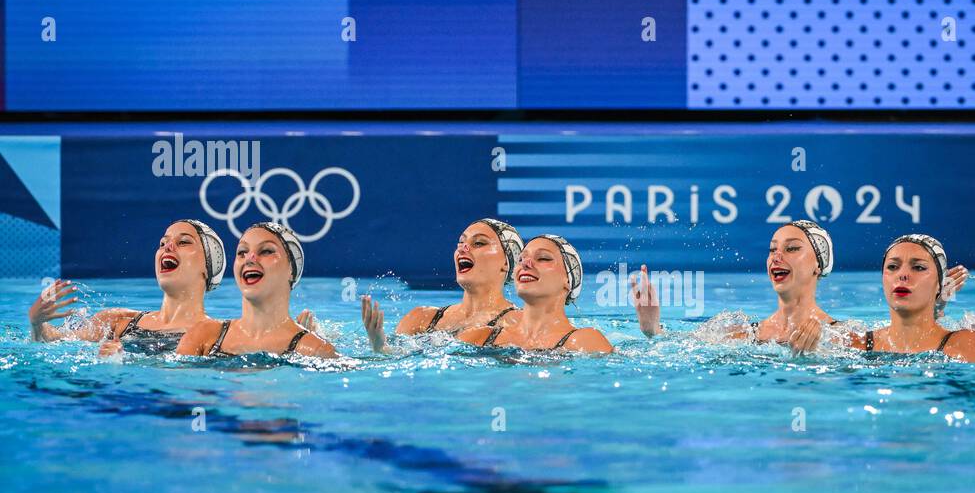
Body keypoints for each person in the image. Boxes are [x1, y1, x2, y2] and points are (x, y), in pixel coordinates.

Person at [633, 220, 851, 351]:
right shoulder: (742, 334)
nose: (776, 257)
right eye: (772, 250)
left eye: (792, 249)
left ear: (818, 265)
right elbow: (677, 345)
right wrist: (652, 329)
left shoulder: (844, 337)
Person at [27, 219, 224, 354]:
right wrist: (37, 323)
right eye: (163, 243)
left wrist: (124, 362)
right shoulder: (117, 321)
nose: (167, 247)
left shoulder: (218, 334)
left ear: (208, 267)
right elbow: (54, 342)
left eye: (183, 242)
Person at [358, 218, 522, 352]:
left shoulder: (519, 323)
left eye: (479, 243)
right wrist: (379, 346)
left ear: (507, 263)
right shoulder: (421, 318)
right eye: (461, 242)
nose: (463, 248)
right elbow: (390, 360)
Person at [177, 222, 336, 358]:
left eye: (266, 251)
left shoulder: (314, 349)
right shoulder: (203, 335)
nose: (250, 258)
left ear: (291, 270)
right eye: (242, 252)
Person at [846, 234, 975, 362]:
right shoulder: (856, 344)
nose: (902, 274)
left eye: (918, 267)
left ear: (941, 284)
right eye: (892, 267)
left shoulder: (964, 343)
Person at [459, 234, 612, 353]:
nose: (526, 263)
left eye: (543, 258)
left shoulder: (583, 340)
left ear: (569, 280)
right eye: (521, 259)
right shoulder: (481, 337)